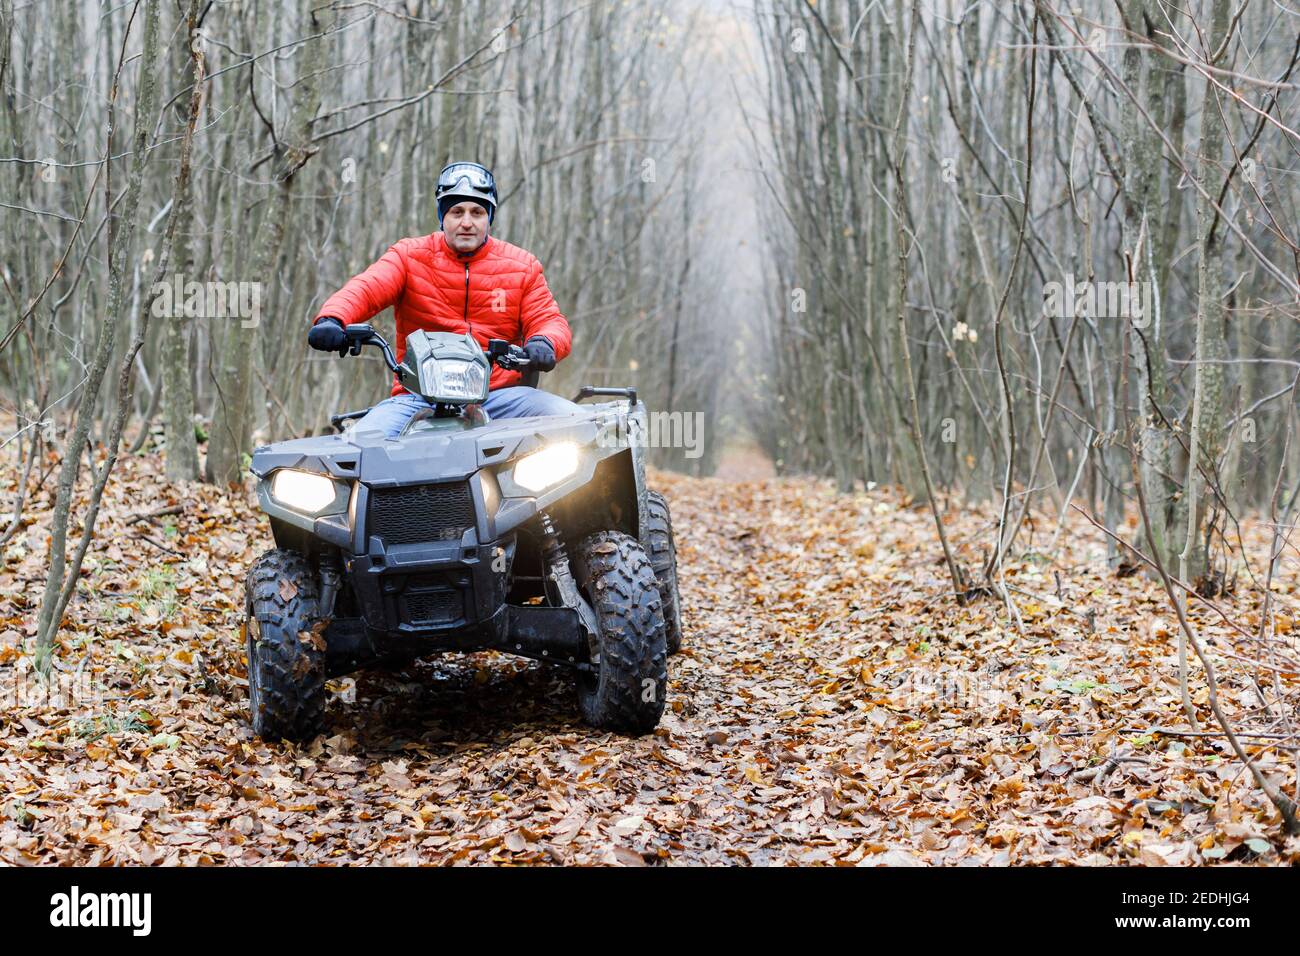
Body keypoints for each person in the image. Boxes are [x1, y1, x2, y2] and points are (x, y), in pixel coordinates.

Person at [307, 161, 578, 436]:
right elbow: (366, 288)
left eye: (477, 212)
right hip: (416, 397)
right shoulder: (409, 256)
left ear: (489, 218)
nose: (467, 223)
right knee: (360, 444)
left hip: (498, 396)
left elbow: (549, 320)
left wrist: (544, 342)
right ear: (442, 216)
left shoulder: (521, 266)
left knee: (576, 423)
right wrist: (333, 318)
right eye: (456, 211)